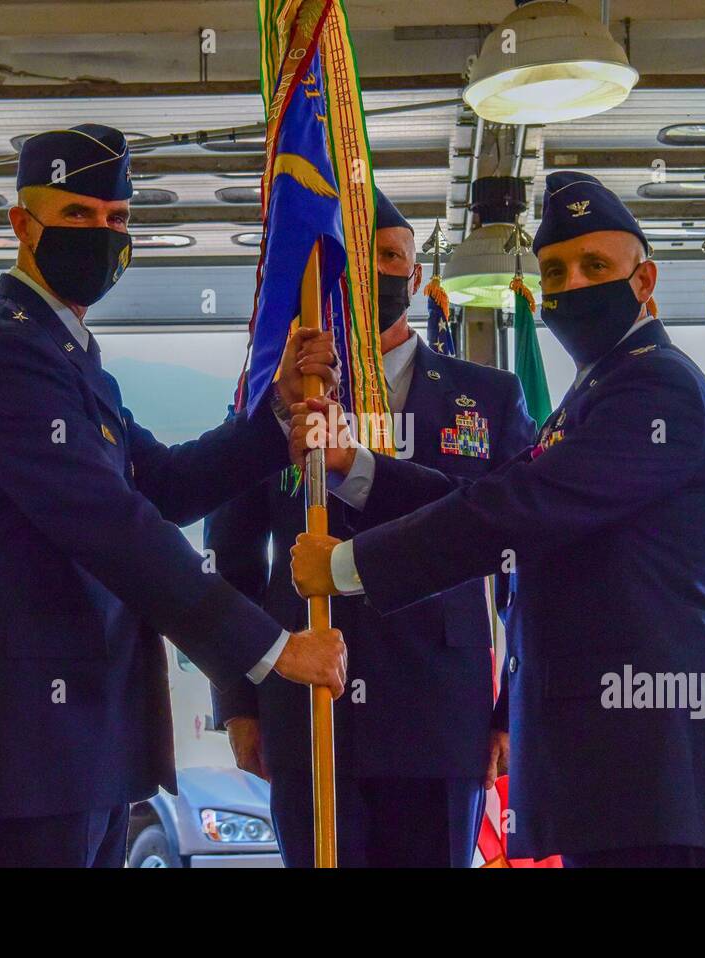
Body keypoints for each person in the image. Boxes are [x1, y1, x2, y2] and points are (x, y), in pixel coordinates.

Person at [289, 171, 705, 868]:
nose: (573, 285)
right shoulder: (601, 388)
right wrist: (355, 466)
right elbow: (502, 491)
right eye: (555, 272)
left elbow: (516, 510)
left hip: (661, 785)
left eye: (595, 266)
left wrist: (345, 567)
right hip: (613, 784)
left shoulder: (655, 388)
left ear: (646, 280)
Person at [0, 124, 346, 867]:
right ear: (22, 224)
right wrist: (270, 650)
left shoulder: (71, 360)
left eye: (117, 219)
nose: (103, 234)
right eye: (77, 215)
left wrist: (276, 420)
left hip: (85, 743)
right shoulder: (4, 358)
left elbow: (164, 484)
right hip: (22, 747)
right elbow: (119, 529)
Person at [206, 189, 534, 867]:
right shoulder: (275, 399)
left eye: (391, 258)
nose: (375, 275)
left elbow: (524, 562)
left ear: (414, 279)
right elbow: (231, 560)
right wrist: (238, 700)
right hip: (309, 711)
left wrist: (510, 712)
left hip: (440, 716)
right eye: (358, 259)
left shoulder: (490, 400)